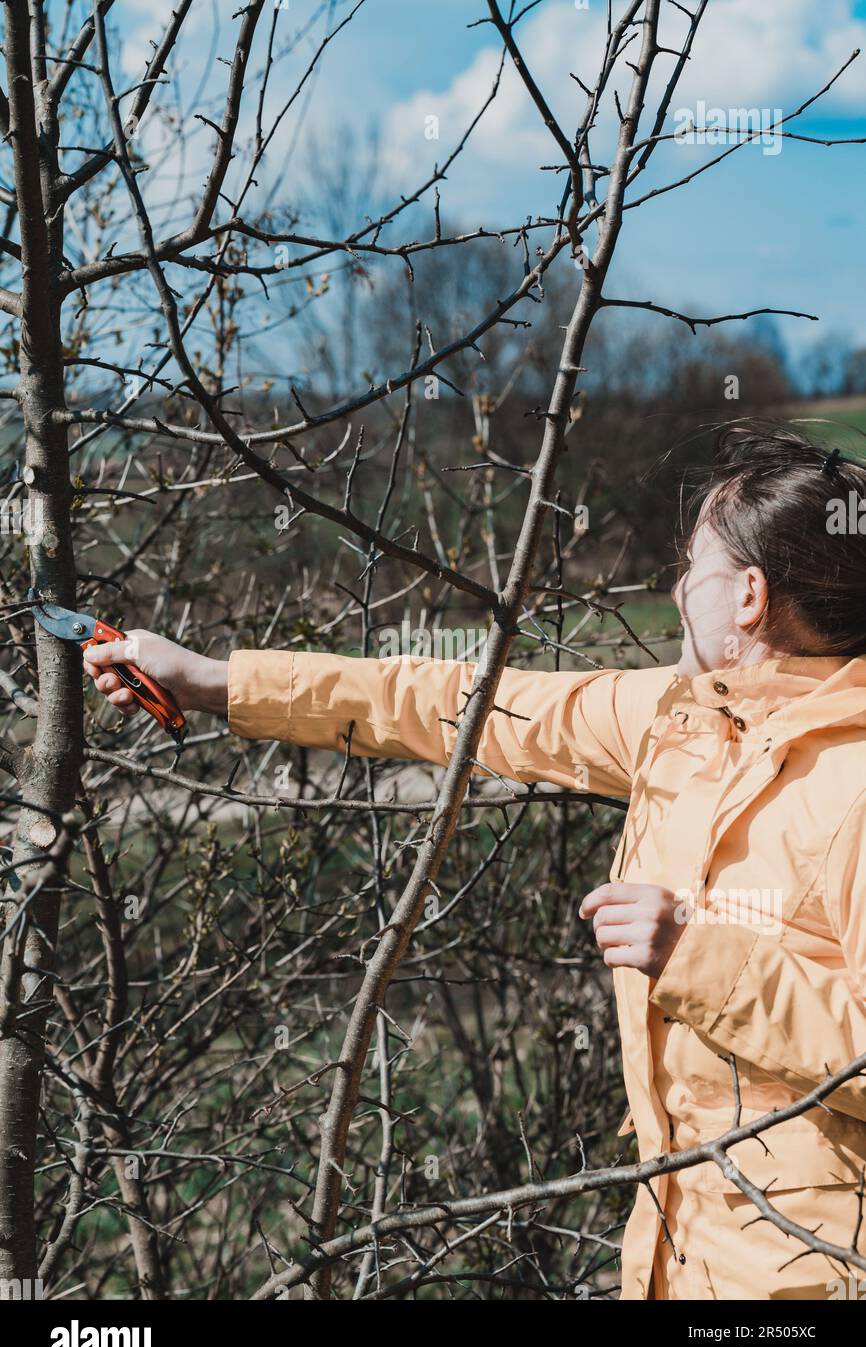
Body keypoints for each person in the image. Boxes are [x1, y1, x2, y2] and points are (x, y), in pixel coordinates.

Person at [83, 423, 866, 1300]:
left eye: (695, 567)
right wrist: (216, 681)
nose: (679, 587)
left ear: (749, 598)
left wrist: (702, 956)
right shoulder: (679, 722)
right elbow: (453, 701)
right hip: (678, 1265)